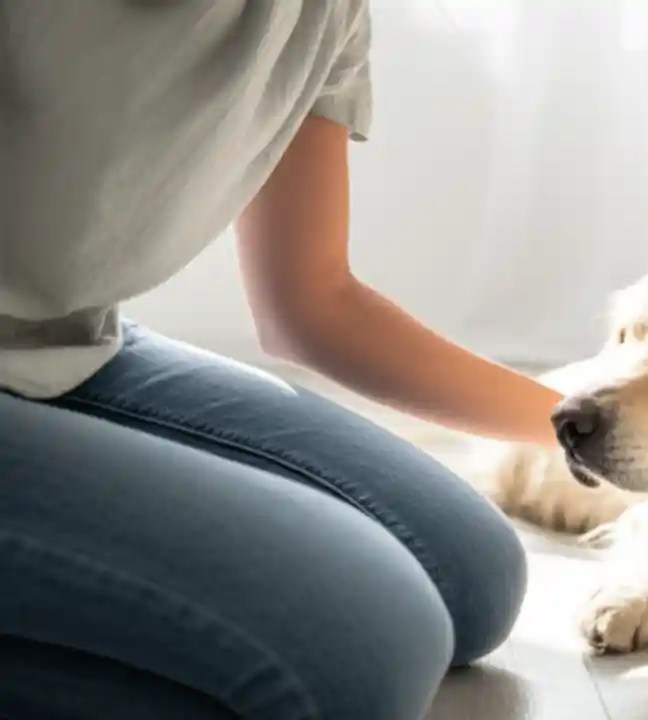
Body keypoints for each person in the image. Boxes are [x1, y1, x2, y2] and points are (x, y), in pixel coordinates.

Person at [0, 2, 562, 718]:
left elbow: (313, 304)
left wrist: (593, 425)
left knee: (472, 574)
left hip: (64, 342)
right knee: (369, 647)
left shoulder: (318, 12)